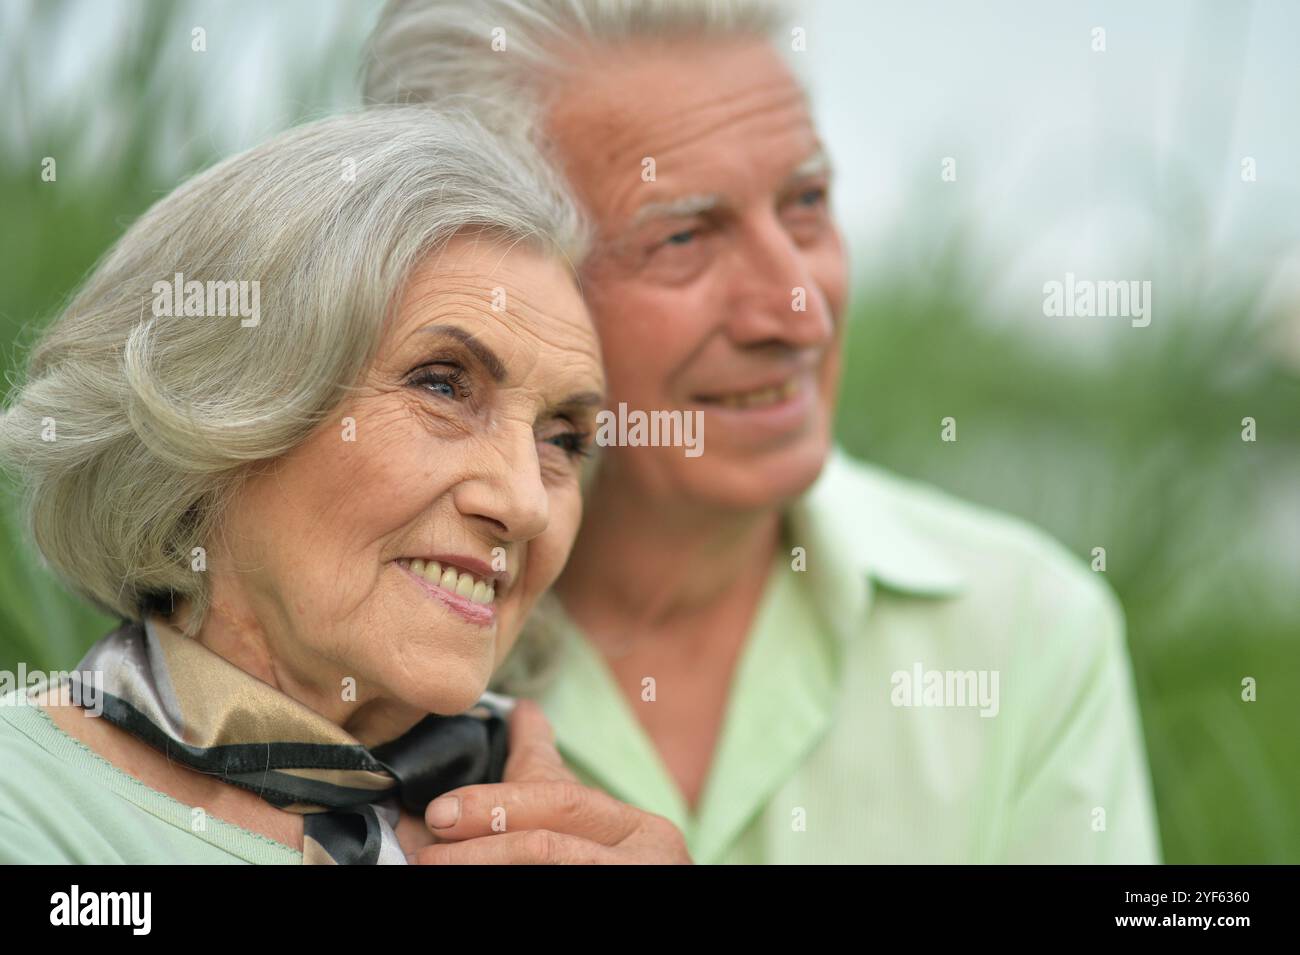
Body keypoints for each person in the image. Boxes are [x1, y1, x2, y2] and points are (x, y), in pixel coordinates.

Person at [363, 0, 1163, 863]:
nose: (801, 309)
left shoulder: (1027, 631)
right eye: (683, 236)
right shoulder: (348, 621)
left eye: (807, 202)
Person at [0, 107, 688, 864]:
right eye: (442, 386)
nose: (525, 502)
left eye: (563, 439)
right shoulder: (28, 805)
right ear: (216, 411)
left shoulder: (589, 821)